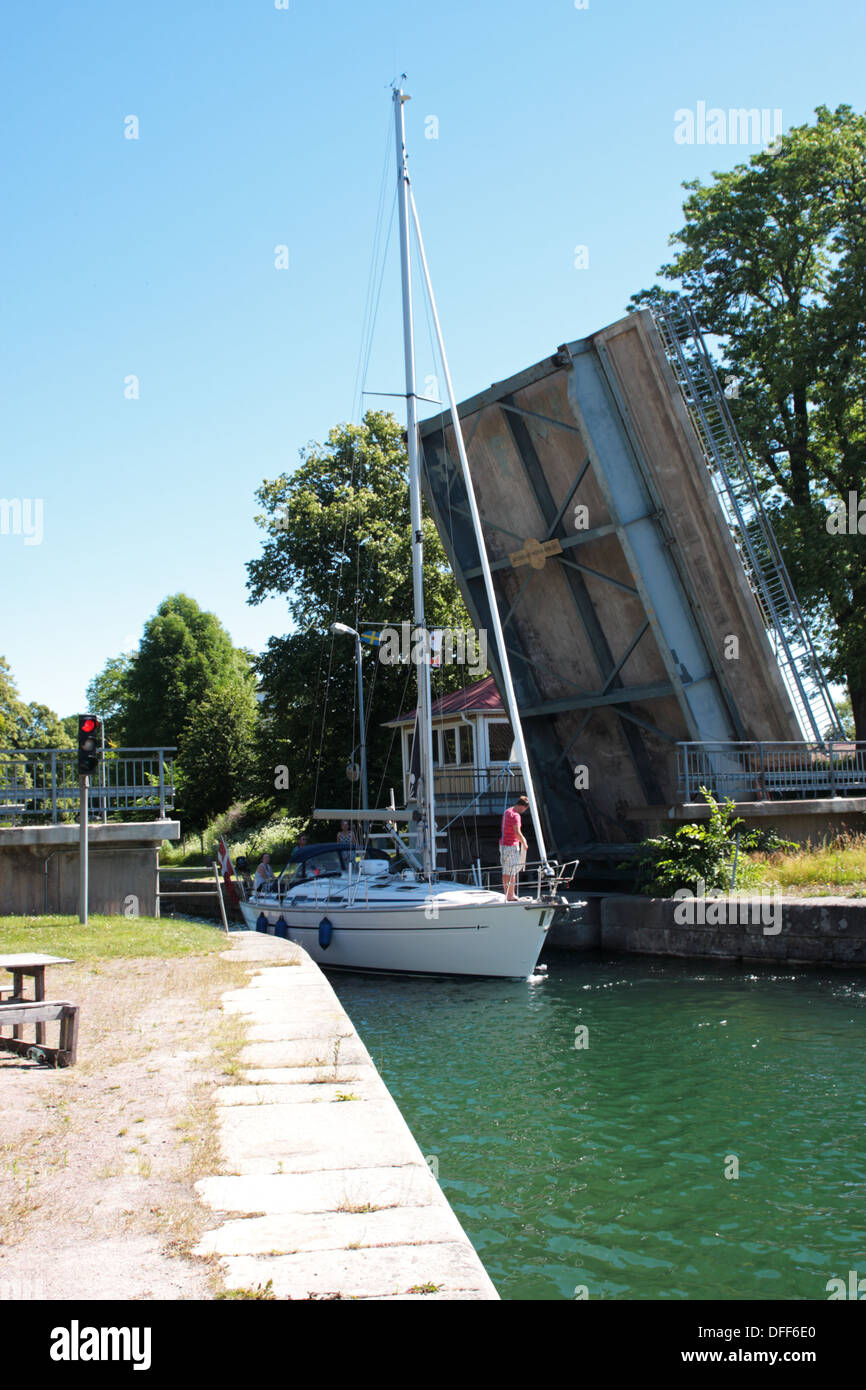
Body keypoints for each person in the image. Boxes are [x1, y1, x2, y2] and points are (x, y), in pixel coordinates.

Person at [500, 795, 529, 902]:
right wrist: (524, 842)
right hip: (512, 846)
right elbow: (517, 832)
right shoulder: (516, 815)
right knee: (513, 871)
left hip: (503, 845)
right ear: (523, 807)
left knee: (506, 871)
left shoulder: (507, 811)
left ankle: (507, 894)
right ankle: (511, 895)